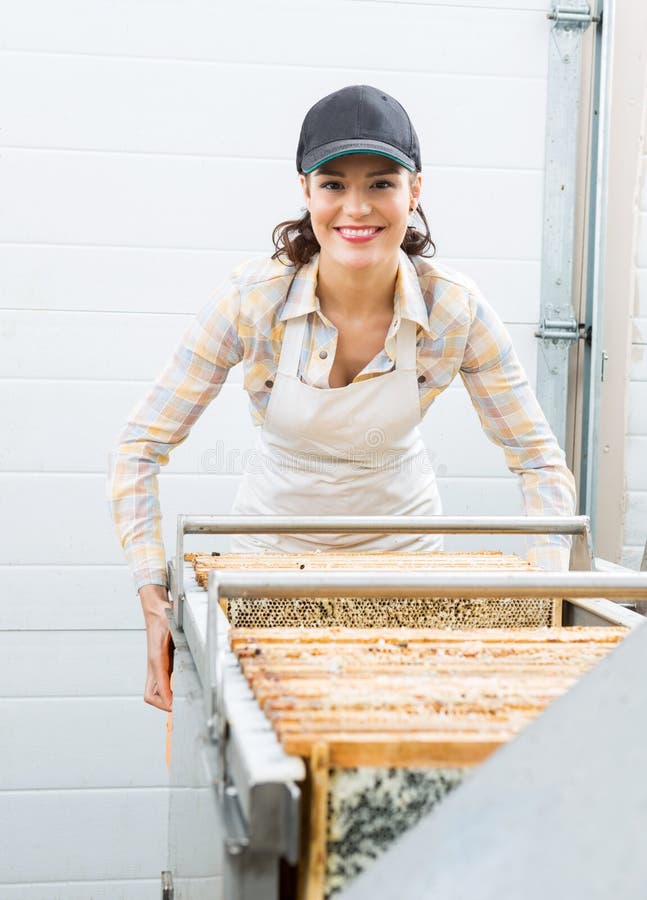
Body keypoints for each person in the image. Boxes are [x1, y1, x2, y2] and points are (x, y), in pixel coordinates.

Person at [107, 84, 576, 713]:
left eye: (381, 183)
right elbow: (140, 446)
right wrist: (150, 595)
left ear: (415, 191)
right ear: (305, 191)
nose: (356, 207)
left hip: (405, 568)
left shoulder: (454, 308)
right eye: (333, 184)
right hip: (266, 571)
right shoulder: (254, 300)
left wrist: (547, 599)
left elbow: (538, 459)